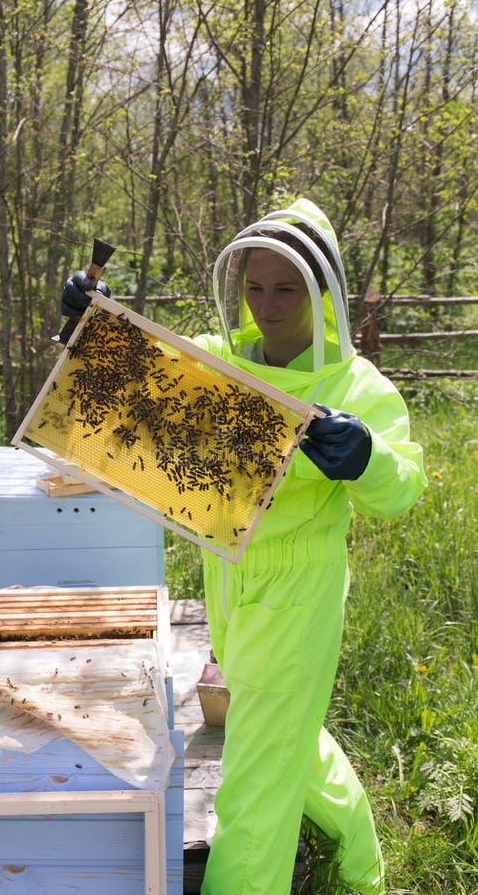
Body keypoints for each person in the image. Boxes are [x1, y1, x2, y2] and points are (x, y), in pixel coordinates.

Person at [60, 198, 427, 894]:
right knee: (282, 727)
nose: (268, 305)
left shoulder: (356, 385)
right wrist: (89, 325)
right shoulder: (221, 358)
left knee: (255, 777)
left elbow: (402, 489)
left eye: (286, 289)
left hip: (299, 587)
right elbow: (137, 391)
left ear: (321, 291)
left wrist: (367, 457)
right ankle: (361, 861)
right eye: (255, 287)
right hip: (226, 574)